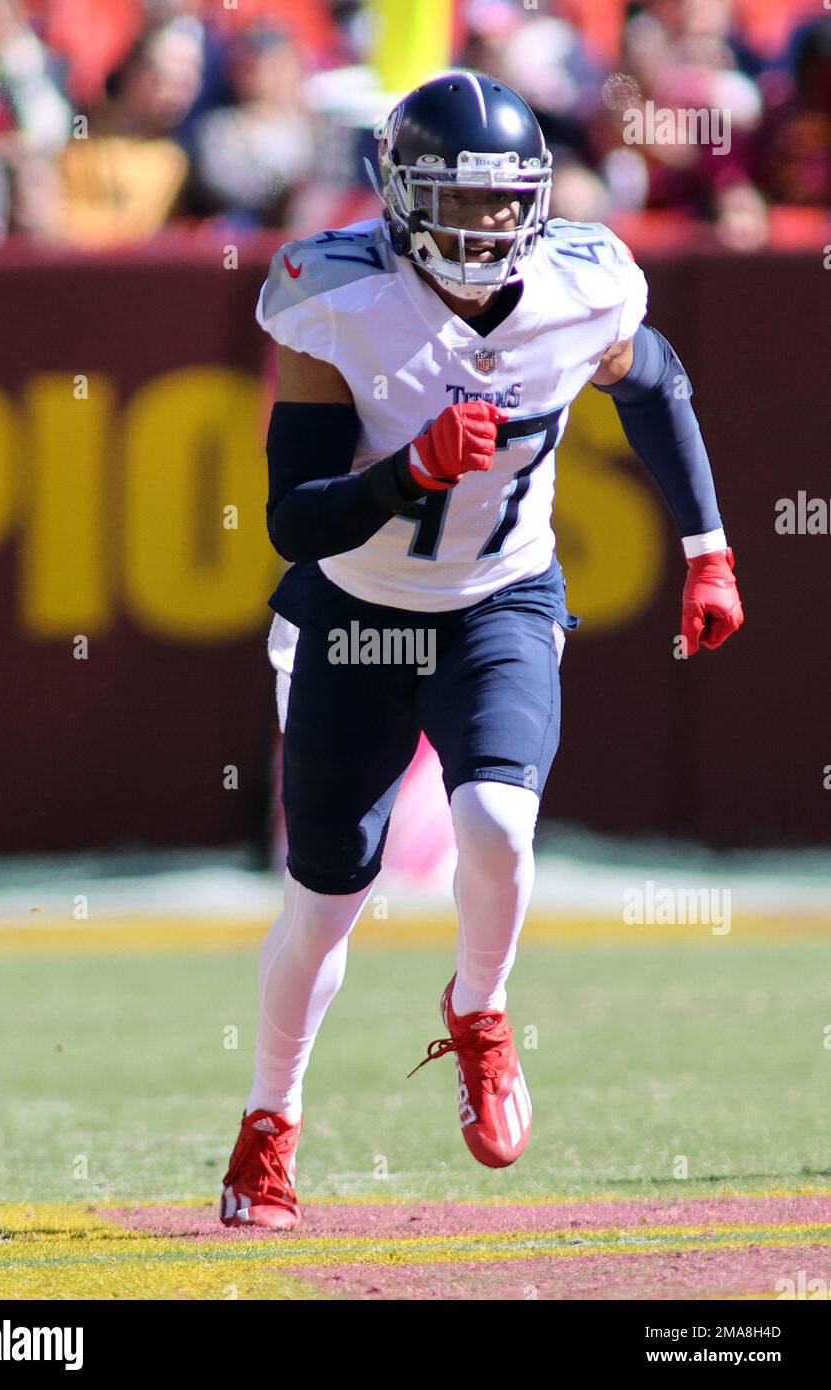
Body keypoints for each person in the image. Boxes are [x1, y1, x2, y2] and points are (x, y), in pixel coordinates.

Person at [220, 71, 744, 1230]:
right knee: (323, 898)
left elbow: (652, 380)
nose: (484, 229)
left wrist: (707, 545)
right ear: (399, 202)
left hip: (498, 598)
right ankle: (270, 1117)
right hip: (353, 607)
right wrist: (404, 471)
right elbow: (293, 519)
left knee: (497, 823)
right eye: (455, 206)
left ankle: (480, 1008)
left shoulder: (577, 285)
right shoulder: (336, 297)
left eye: (505, 203)